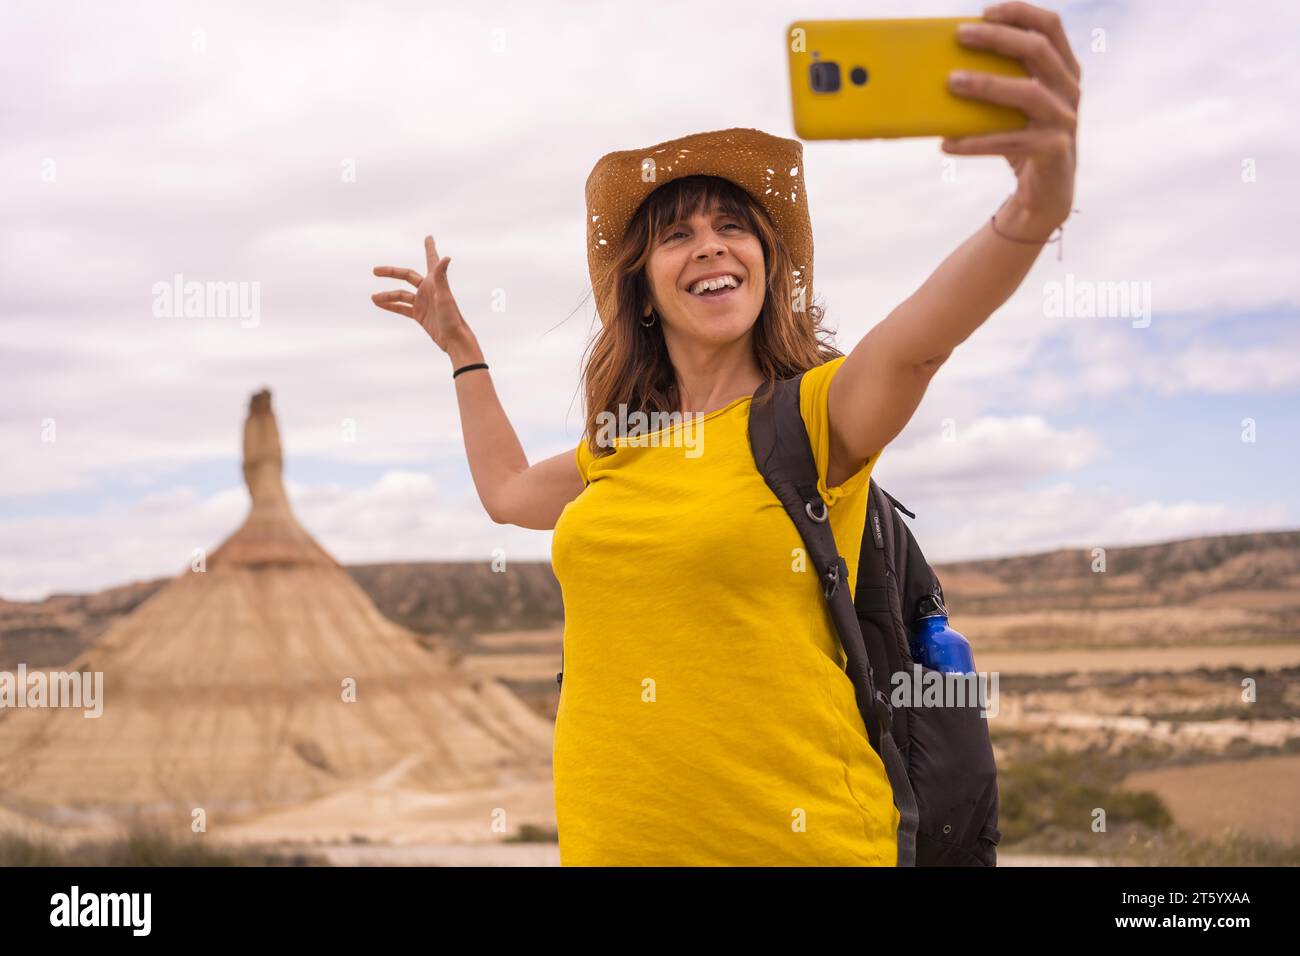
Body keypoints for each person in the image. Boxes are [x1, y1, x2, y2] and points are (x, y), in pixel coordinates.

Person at [371, 0, 1080, 866]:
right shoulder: (622, 446)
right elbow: (508, 493)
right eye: (678, 235)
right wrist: (462, 354)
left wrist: (1037, 205)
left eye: (732, 227)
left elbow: (923, 339)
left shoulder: (816, 418)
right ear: (643, 285)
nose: (710, 248)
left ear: (766, 265)